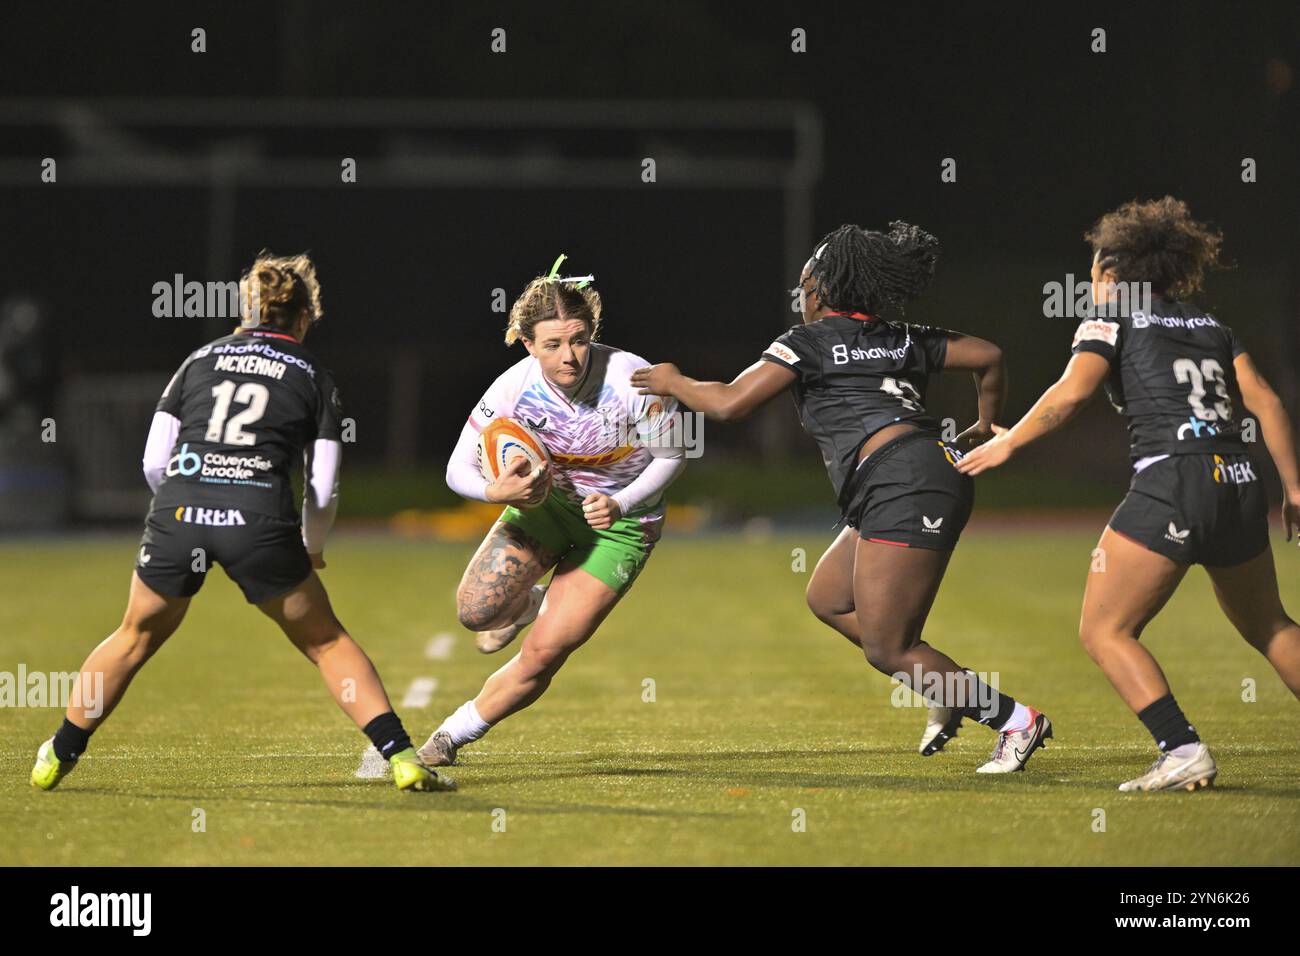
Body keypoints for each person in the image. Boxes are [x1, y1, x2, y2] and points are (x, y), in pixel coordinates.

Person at [632, 223, 1052, 773]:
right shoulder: (902, 336)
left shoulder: (805, 342)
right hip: (909, 474)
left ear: (821, 290)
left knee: (888, 647)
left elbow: (732, 402)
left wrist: (674, 381)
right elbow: (988, 356)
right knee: (829, 598)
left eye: (805, 284)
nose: (800, 295)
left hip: (903, 481)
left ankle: (1015, 720)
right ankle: (945, 688)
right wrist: (984, 422)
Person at [30, 252, 452, 793]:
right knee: (325, 642)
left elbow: (153, 461)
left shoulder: (199, 358)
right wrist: (311, 545)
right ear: (304, 317)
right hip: (258, 518)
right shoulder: (312, 375)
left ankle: (58, 754)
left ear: (245, 311)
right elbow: (323, 482)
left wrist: (181, 508)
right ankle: (401, 756)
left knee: (133, 636)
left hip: (179, 512)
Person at [957, 197, 1300, 791]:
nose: (1090, 282)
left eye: (1093, 270)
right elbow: (1266, 400)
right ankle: (1182, 751)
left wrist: (1008, 444)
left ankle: (1183, 749)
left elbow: (1070, 394)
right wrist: (1293, 488)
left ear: (1113, 274)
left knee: (1104, 629)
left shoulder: (1110, 318)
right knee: (1271, 625)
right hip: (1242, 484)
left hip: (1174, 481)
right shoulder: (1211, 325)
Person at [418, 256, 686, 767]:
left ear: (592, 333)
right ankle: (526, 604)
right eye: (552, 344)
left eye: (579, 339)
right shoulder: (514, 387)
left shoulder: (633, 379)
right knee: (475, 613)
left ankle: (450, 738)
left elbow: (674, 455)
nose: (570, 356)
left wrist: (621, 501)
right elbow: (456, 468)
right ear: (527, 343)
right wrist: (493, 492)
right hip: (546, 509)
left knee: (544, 653)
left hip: (621, 527)